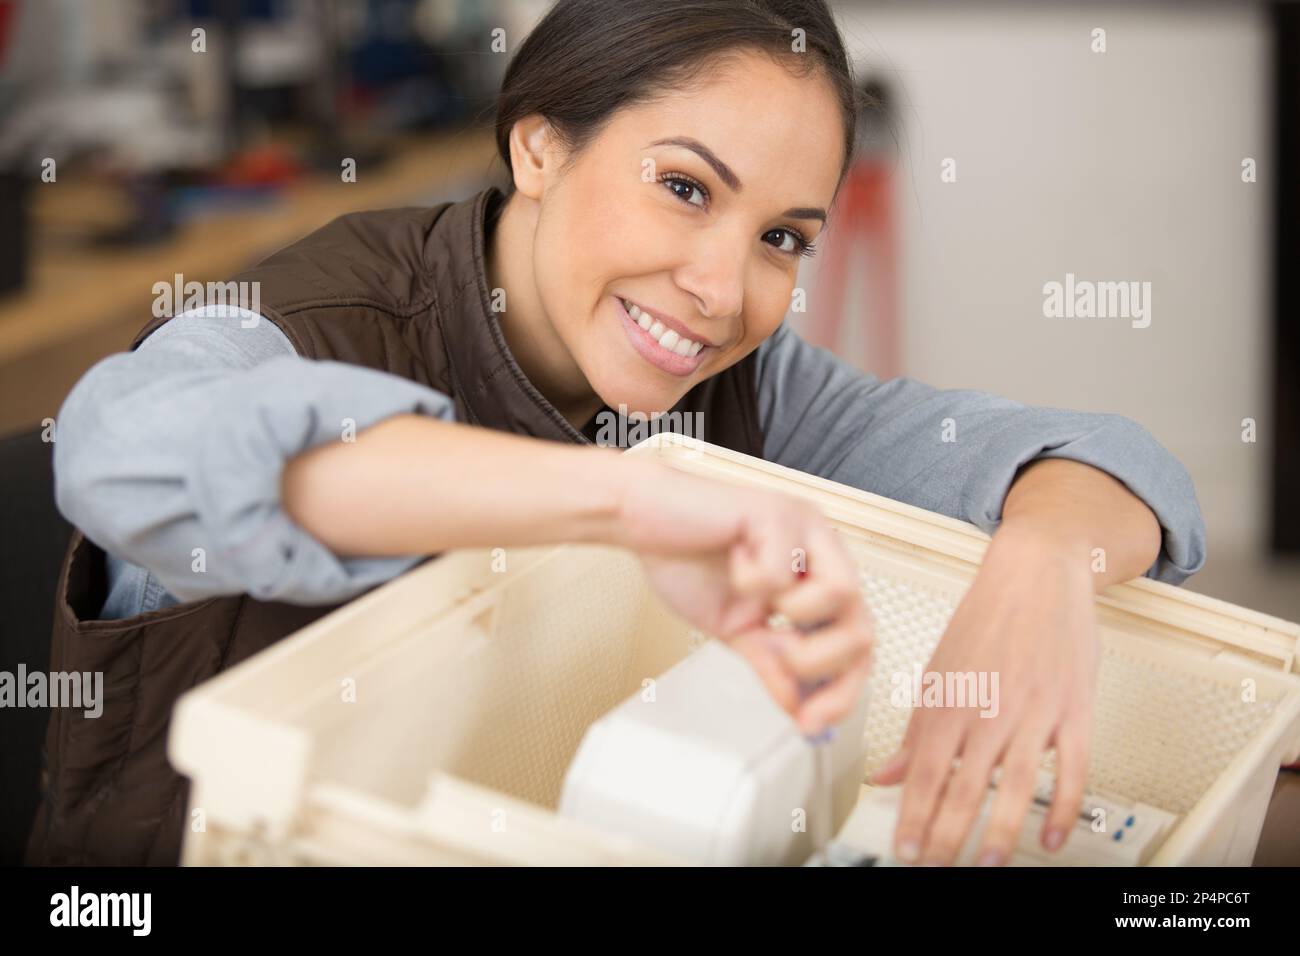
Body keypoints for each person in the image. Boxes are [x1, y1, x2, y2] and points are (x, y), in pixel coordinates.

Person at [33, 0, 1205, 867]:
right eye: (686, 188)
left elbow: (1099, 456)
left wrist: (1043, 562)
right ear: (538, 146)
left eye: (782, 238)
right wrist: (628, 501)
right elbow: (122, 441)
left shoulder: (751, 383)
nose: (721, 287)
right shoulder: (306, 323)